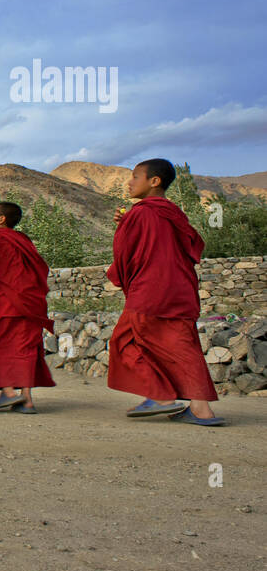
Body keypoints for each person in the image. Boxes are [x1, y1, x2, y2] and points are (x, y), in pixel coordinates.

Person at [106, 158, 223, 425]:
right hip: (181, 289)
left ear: (154, 181)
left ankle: (160, 396)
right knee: (183, 348)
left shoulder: (141, 212)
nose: (129, 182)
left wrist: (126, 227)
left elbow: (128, 253)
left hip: (151, 290)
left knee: (124, 342)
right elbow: (187, 245)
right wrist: (127, 223)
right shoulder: (173, 212)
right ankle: (201, 409)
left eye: (135, 177)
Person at [0, 202, 54, 412]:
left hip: (6, 303)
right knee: (25, 349)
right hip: (31, 303)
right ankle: (27, 398)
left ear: (1, 219)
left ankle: (8, 392)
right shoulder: (23, 240)